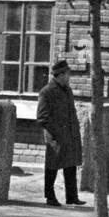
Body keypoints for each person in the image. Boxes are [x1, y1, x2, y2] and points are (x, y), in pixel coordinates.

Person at [37, 58, 84, 206]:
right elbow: (42, 117)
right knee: (52, 167)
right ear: (61, 75)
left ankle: (72, 197)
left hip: (69, 135)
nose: (69, 77)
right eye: (68, 74)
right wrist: (57, 133)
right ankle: (50, 197)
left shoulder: (67, 91)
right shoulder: (47, 92)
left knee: (70, 166)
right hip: (55, 137)